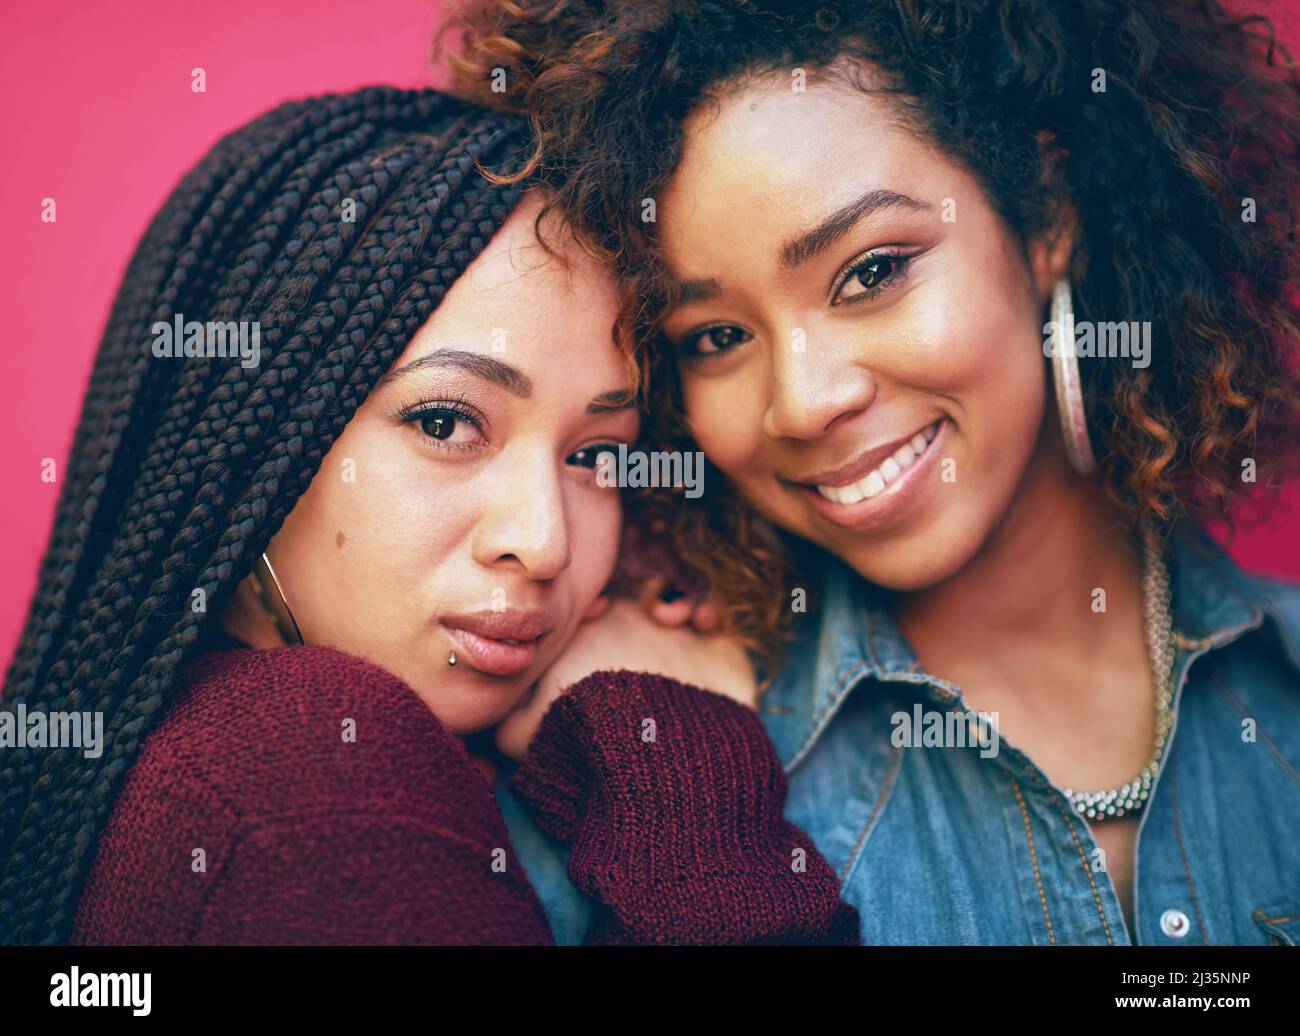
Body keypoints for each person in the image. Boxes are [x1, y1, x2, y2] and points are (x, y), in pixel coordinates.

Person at [449, 0, 1300, 945]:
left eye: (871, 271)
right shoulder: (634, 782)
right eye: (718, 338)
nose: (804, 401)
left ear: (1046, 215)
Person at [0, 87, 857, 946]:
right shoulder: (323, 791)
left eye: (595, 455)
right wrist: (680, 776)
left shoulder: (192, 757)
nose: (543, 542)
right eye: (444, 422)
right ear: (256, 448)